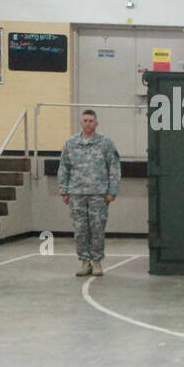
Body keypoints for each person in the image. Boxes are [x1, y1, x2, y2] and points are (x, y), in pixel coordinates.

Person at [57, 109, 120, 277]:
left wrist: (112, 191)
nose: (88, 123)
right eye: (85, 120)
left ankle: (97, 262)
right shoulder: (71, 143)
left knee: (97, 228)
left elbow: (114, 167)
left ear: (96, 123)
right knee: (80, 229)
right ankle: (84, 262)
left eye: (91, 121)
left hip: (99, 194)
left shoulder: (106, 143)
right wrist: (64, 190)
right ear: (80, 123)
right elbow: (64, 168)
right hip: (76, 193)